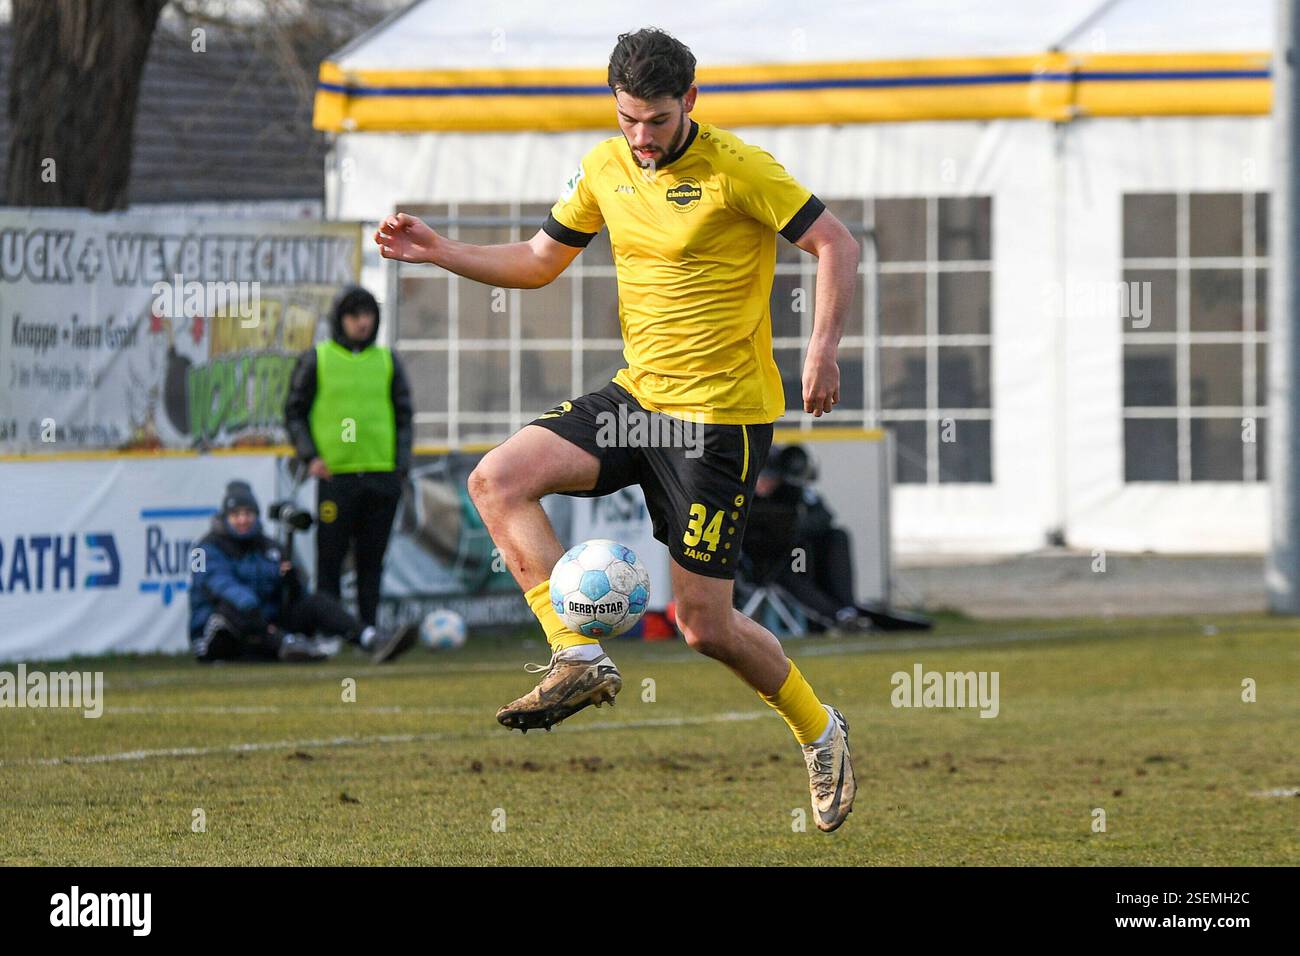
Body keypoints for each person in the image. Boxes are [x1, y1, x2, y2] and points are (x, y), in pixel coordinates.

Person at [374, 28, 861, 831]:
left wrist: (822, 352)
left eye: (658, 121)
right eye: (629, 117)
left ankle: (820, 728)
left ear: (691, 104)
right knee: (496, 479)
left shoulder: (739, 170)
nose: (641, 137)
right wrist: (440, 251)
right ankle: (578, 652)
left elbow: (833, 244)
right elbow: (537, 261)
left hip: (718, 424)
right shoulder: (605, 167)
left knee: (705, 627)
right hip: (638, 402)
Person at [284, 285, 416, 658]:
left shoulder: (387, 360)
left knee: (371, 561)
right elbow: (294, 411)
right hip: (335, 479)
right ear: (340, 320)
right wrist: (310, 455)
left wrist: (401, 464)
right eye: (355, 315)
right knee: (330, 557)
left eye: (369, 314)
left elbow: (404, 415)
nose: (363, 322)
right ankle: (331, 632)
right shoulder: (317, 358)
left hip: (381, 476)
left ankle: (370, 634)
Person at [189, 481, 417, 663]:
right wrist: (252, 608)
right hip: (224, 632)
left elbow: (297, 595)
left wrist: (291, 581)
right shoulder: (204, 549)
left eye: (248, 513)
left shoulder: (268, 546)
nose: (243, 520)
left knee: (317, 602)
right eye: (236, 514)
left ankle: (371, 638)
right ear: (225, 517)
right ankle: (288, 644)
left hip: (265, 628)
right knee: (235, 607)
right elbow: (216, 583)